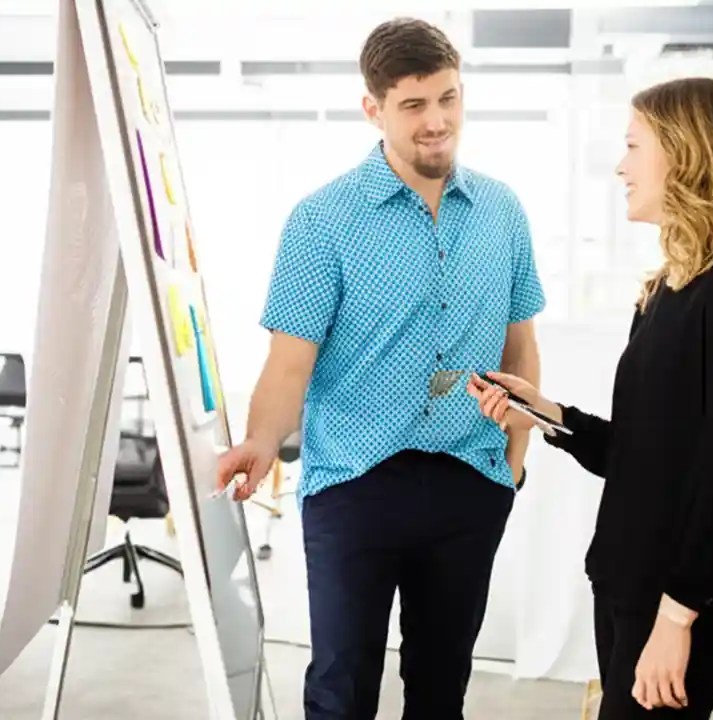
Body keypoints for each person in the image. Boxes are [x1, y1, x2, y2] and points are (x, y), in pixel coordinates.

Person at [215, 17, 546, 719]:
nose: (437, 121)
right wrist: (261, 443)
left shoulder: (503, 212)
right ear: (374, 109)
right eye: (415, 105)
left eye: (449, 99)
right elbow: (288, 366)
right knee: (340, 688)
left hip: (469, 480)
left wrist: (512, 463)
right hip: (354, 485)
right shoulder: (321, 221)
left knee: (441, 688)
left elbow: (521, 347)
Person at [468, 77, 713, 718]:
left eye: (633, 146)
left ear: (688, 154)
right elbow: (643, 452)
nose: (621, 167)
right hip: (627, 581)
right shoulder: (666, 290)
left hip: (681, 603)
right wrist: (541, 411)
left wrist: (677, 620)